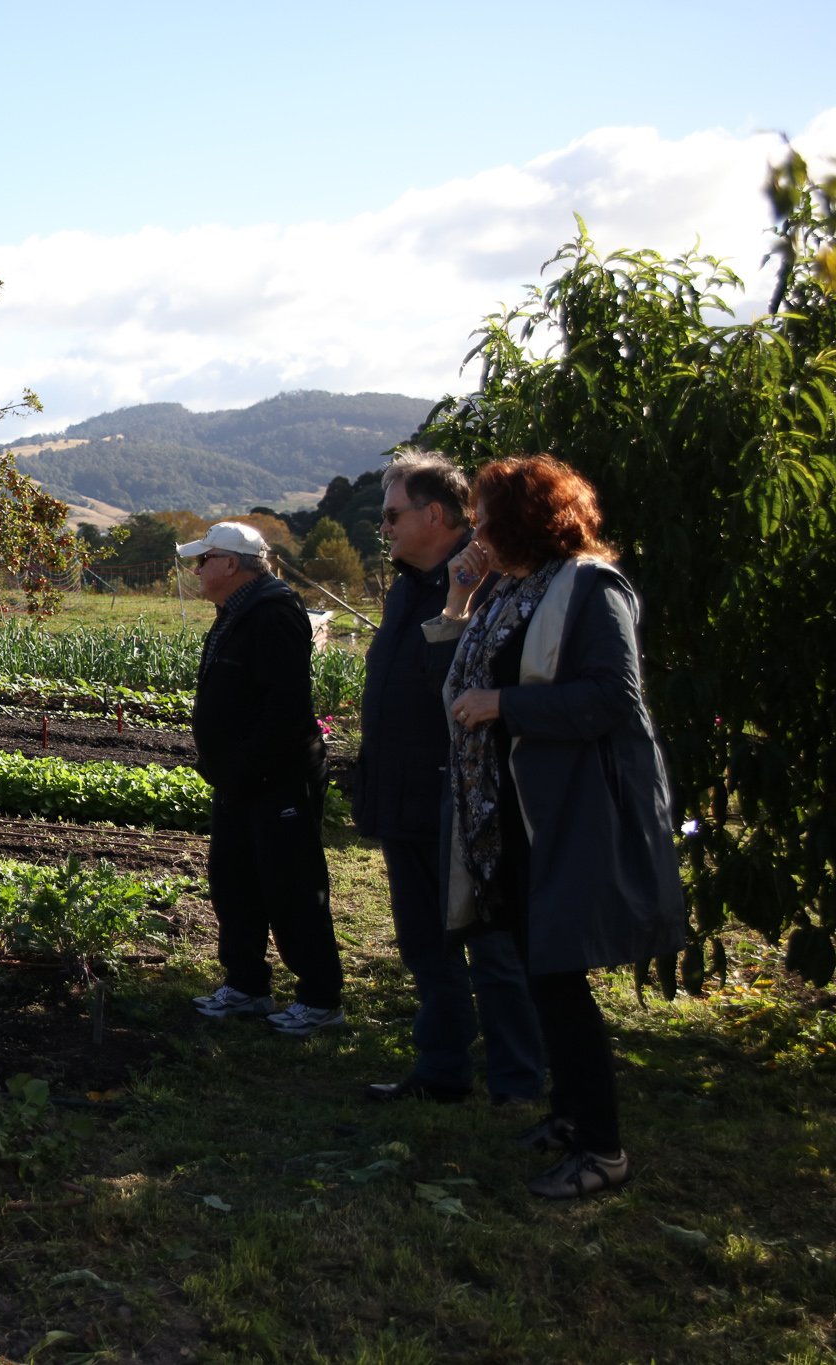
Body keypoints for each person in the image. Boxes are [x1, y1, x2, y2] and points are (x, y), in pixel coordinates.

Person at [429, 456, 684, 1198]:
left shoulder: (588, 587)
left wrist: (505, 706)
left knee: (560, 976)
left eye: (484, 522)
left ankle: (603, 1149)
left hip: (569, 811)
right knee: (545, 970)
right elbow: (452, 682)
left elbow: (612, 698)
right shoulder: (511, 587)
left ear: (526, 521)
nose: (473, 535)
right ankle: (572, 1116)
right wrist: (459, 598)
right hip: (515, 812)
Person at [351, 453, 544, 1105]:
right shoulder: (408, 583)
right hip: (403, 793)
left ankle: (518, 1081)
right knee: (425, 943)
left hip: (467, 795)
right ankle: (442, 1069)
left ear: (435, 514)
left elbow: (461, 688)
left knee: (490, 942)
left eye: (392, 514)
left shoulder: (487, 578)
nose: (385, 528)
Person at [182, 520, 345, 1037]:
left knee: (292, 890)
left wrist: (245, 766)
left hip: (274, 779)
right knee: (234, 884)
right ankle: (247, 986)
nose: (197, 568)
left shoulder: (271, 613)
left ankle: (320, 1000)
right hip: (239, 780)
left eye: (203, 560)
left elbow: (286, 708)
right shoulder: (237, 611)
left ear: (231, 564)